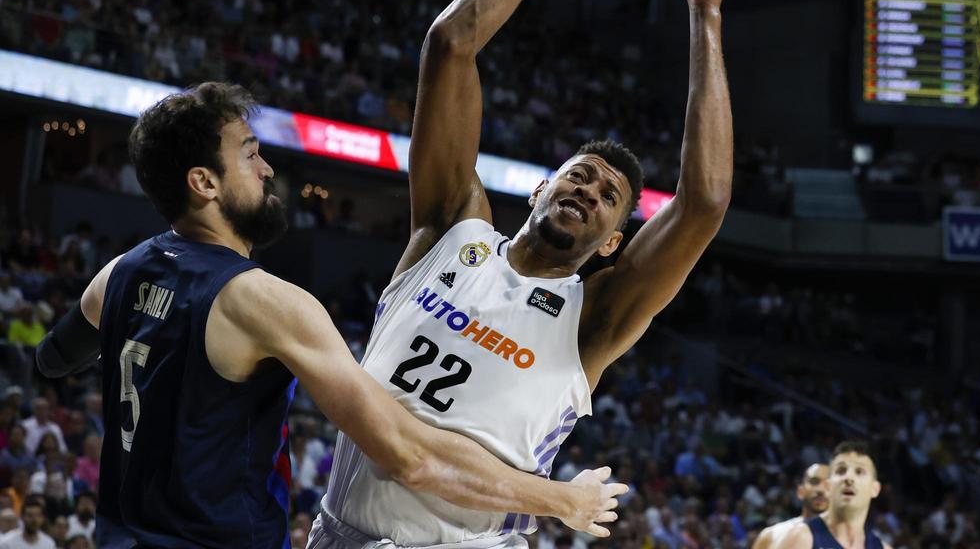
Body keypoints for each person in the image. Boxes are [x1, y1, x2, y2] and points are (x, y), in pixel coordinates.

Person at [313, 0, 777, 549]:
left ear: (614, 241)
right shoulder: (449, 231)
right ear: (539, 186)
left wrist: (704, 16)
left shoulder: (593, 318)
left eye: (610, 196)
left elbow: (704, 204)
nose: (589, 189)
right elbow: (450, 44)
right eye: (580, 174)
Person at [35, 83, 624, 548]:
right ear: (204, 182)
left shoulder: (115, 275)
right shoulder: (265, 301)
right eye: (251, 155)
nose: (267, 169)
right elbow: (408, 455)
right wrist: (561, 501)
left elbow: (53, 359)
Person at [779, 442, 890, 549]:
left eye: (859, 471)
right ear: (828, 485)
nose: (849, 478)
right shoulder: (800, 538)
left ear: (875, 489)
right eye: (841, 471)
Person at [751, 463, 830, 549]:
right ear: (800, 491)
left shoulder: (845, 539)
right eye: (814, 482)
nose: (821, 490)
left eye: (828, 484)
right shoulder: (771, 536)